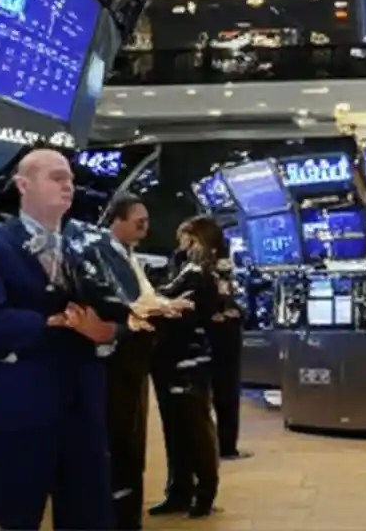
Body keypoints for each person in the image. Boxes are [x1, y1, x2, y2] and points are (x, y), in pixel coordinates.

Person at [0, 148, 119, 529]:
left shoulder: (92, 248)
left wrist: (106, 332)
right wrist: (56, 323)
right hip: (19, 411)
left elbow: (120, 315)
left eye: (70, 179)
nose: (68, 186)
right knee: (10, 519)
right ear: (23, 185)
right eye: (56, 177)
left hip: (83, 409)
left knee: (90, 520)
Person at [148, 216, 225, 519]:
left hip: (187, 359)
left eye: (184, 236)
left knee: (194, 428)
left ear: (195, 238)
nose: (179, 242)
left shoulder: (197, 273)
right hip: (175, 359)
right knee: (177, 428)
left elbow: (164, 296)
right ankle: (180, 491)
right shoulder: (187, 268)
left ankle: (202, 493)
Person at [91, 195, 158, 529]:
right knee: (118, 443)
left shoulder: (129, 255)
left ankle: (129, 515)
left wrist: (160, 306)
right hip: (115, 359)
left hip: (135, 358)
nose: (145, 227)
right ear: (117, 219)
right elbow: (117, 305)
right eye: (138, 221)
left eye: (146, 221)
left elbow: (141, 300)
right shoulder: (100, 253)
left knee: (131, 441)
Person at [207, 258, 249, 461]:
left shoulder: (229, 287)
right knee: (225, 397)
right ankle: (225, 447)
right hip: (222, 348)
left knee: (226, 398)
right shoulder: (208, 286)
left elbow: (241, 312)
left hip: (225, 347)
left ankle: (226, 445)